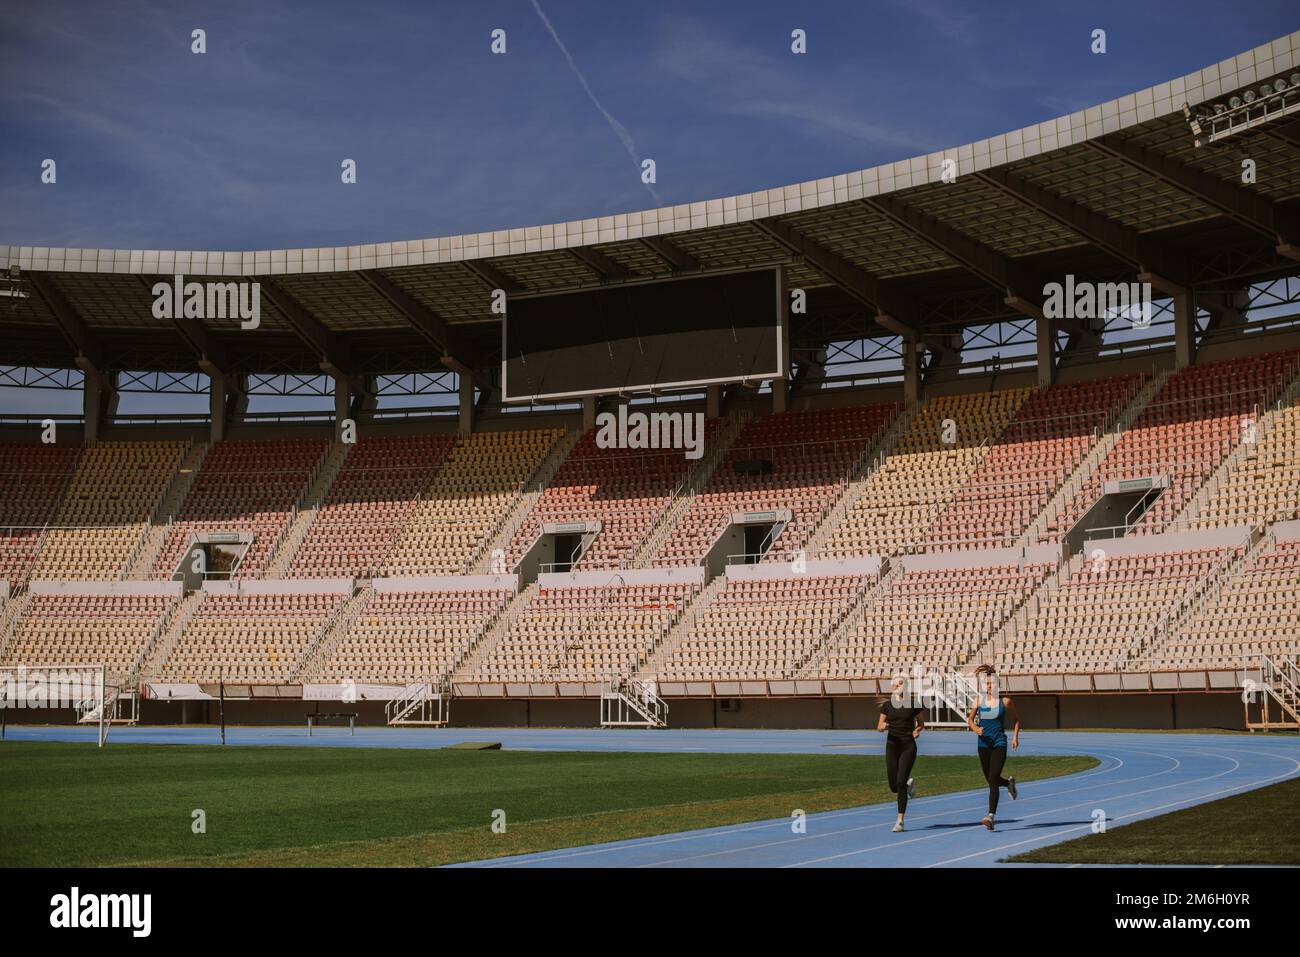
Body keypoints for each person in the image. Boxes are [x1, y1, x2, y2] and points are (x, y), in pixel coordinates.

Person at [965, 664, 1020, 831]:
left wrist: (1015, 738)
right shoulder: (979, 700)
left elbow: (1017, 720)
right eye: (987, 683)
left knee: (993, 777)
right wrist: (975, 729)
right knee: (991, 779)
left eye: (992, 683)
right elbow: (969, 719)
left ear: (998, 684)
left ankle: (990, 816)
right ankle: (1009, 784)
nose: (990, 686)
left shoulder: (1006, 701)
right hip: (983, 745)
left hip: (999, 744)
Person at [877, 674, 925, 832]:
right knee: (893, 786)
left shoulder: (914, 704)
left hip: (908, 746)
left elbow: (921, 723)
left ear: (906, 686)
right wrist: (884, 727)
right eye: (895, 685)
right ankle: (908, 785)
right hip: (892, 746)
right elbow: (879, 725)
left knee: (899, 782)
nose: (897, 687)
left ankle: (900, 821)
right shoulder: (888, 706)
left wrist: (917, 730)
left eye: (900, 684)